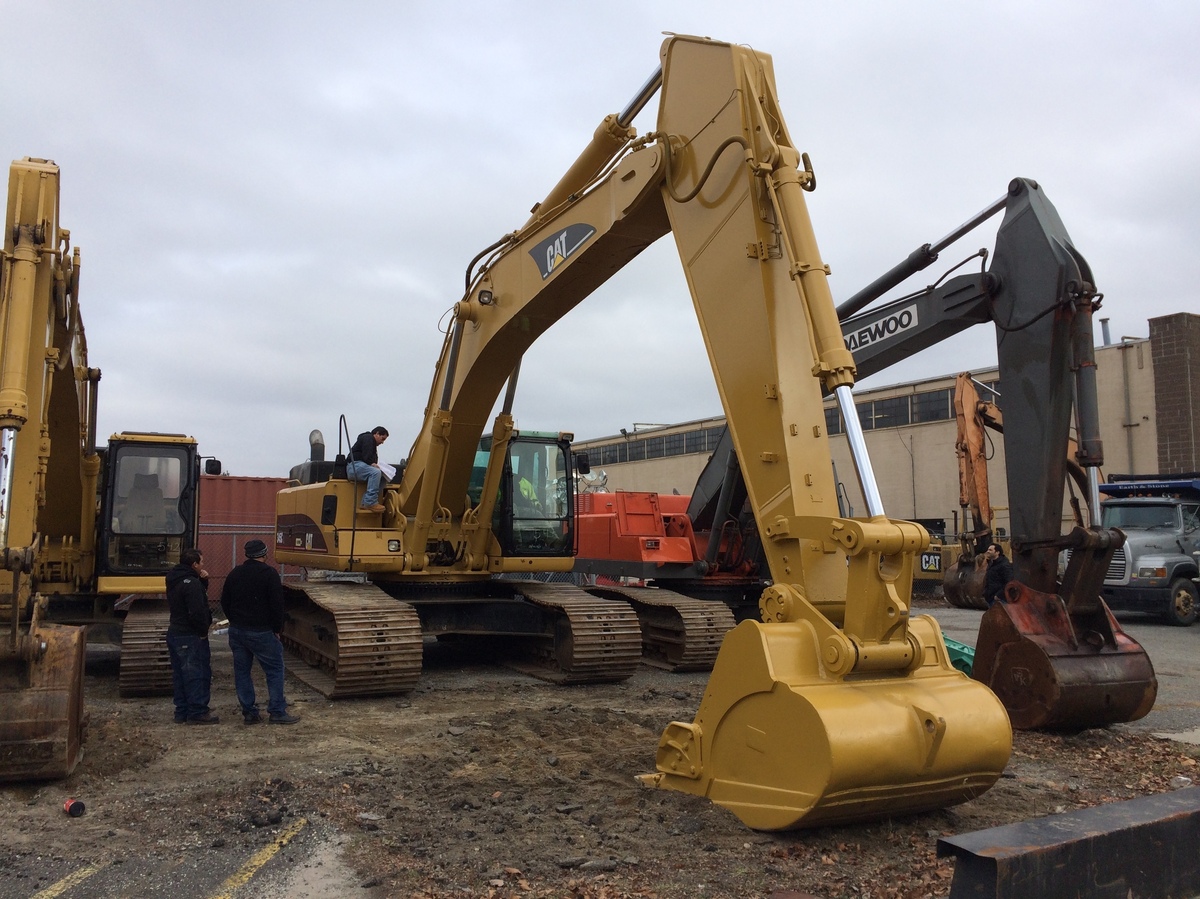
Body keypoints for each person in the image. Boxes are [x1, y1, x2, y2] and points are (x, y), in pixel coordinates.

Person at [220, 539, 299, 725]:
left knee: (242, 672)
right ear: (264, 554)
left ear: (247, 554)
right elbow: (277, 605)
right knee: (274, 670)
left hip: (238, 631)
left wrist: (235, 620)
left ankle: (249, 713)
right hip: (261, 632)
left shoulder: (235, 573)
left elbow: (225, 601)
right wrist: (277, 628)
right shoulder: (269, 574)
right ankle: (277, 711)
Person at [165, 548, 218, 724]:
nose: (203, 565)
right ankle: (198, 712)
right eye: (201, 562)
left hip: (175, 632)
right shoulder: (192, 584)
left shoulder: (174, 579)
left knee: (180, 674)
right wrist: (203, 632)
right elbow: (197, 611)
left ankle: (182, 711)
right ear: (194, 564)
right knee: (197, 673)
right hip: (190, 635)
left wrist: (202, 582)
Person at [347, 426, 390, 513]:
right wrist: (372, 464)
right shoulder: (368, 438)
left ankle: (365, 502)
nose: (382, 442)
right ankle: (370, 502)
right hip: (354, 466)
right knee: (375, 473)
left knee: (383, 477)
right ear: (377, 434)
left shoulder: (371, 443)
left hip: (359, 466)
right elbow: (367, 457)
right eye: (382, 439)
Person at [983, 541, 1014, 607]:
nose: (988, 551)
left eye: (990, 550)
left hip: (1000, 600)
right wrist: (986, 593)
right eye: (988, 549)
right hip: (991, 599)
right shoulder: (991, 564)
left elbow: (1009, 582)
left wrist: (999, 595)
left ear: (997, 552)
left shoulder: (1004, 565)